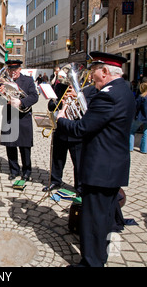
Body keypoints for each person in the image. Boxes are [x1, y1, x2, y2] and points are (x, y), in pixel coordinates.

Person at [56, 51, 136, 267]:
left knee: (93, 220)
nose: (90, 75)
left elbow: (82, 128)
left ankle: (91, 263)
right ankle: (101, 256)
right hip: (113, 166)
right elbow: (100, 122)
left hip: (100, 169)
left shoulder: (107, 95)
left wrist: (61, 118)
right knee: (105, 217)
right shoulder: (123, 90)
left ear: (105, 71)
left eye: (93, 71)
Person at [42, 69, 97, 193]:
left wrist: (78, 98)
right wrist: (58, 102)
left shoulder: (89, 88)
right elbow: (51, 107)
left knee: (78, 160)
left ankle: (80, 186)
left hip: (76, 128)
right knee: (57, 157)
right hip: (61, 128)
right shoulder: (60, 87)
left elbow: (89, 108)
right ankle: (55, 181)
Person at [0, 60, 39, 181]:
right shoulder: (4, 82)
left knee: (25, 146)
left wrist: (21, 102)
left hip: (23, 117)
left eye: (15, 70)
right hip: (10, 116)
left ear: (20, 69)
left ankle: (26, 171)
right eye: (10, 70)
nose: (12, 72)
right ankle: (13, 170)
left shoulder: (28, 80)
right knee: (10, 146)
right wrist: (2, 93)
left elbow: (34, 96)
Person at [129, 82, 147, 154]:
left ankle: (130, 147)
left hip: (140, 116)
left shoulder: (141, 96)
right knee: (146, 132)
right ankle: (144, 150)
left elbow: (136, 107)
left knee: (132, 131)